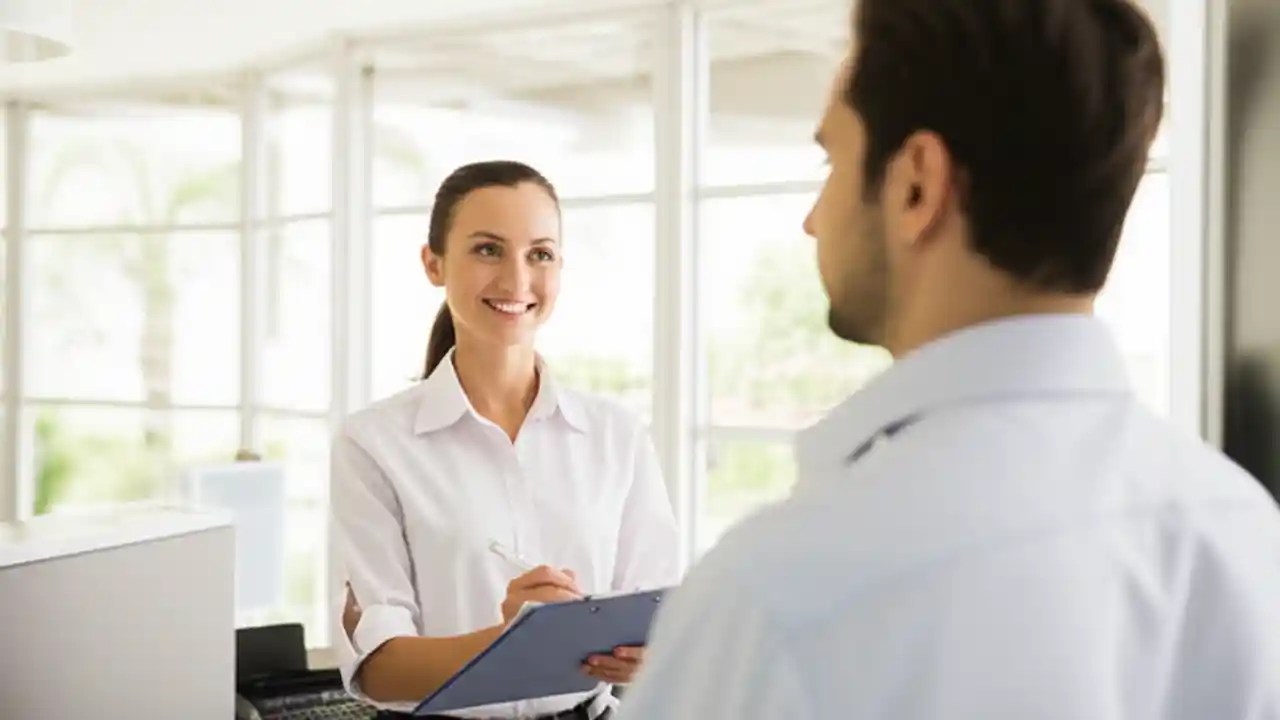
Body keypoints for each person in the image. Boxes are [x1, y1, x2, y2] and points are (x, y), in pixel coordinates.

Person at [620, 1, 1280, 718]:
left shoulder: (782, 592)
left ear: (915, 184)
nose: (813, 216)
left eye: (831, 159)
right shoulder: (1242, 527)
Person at [331, 160, 681, 720]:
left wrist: (654, 655)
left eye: (540, 254)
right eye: (488, 249)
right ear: (434, 263)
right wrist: (512, 639)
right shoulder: (374, 442)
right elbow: (377, 666)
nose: (517, 281)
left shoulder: (618, 436)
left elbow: (661, 621)